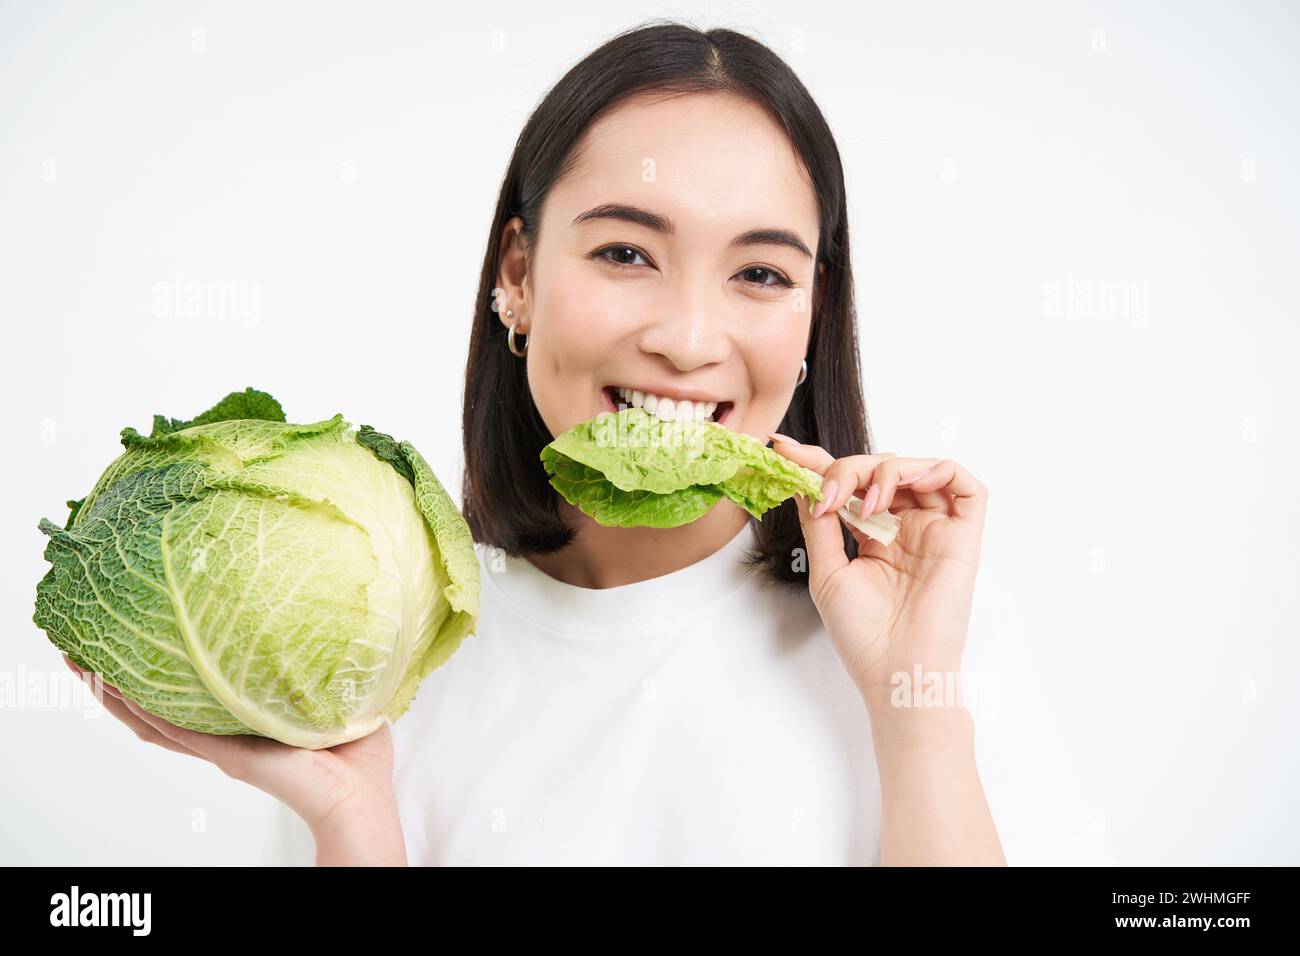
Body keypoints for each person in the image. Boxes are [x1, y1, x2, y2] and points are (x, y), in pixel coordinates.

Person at [70, 20, 1116, 867]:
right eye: (626, 251)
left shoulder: (938, 643)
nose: (687, 337)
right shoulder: (386, 664)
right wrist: (352, 821)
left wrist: (908, 707)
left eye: (759, 273)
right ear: (517, 275)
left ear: (811, 316)